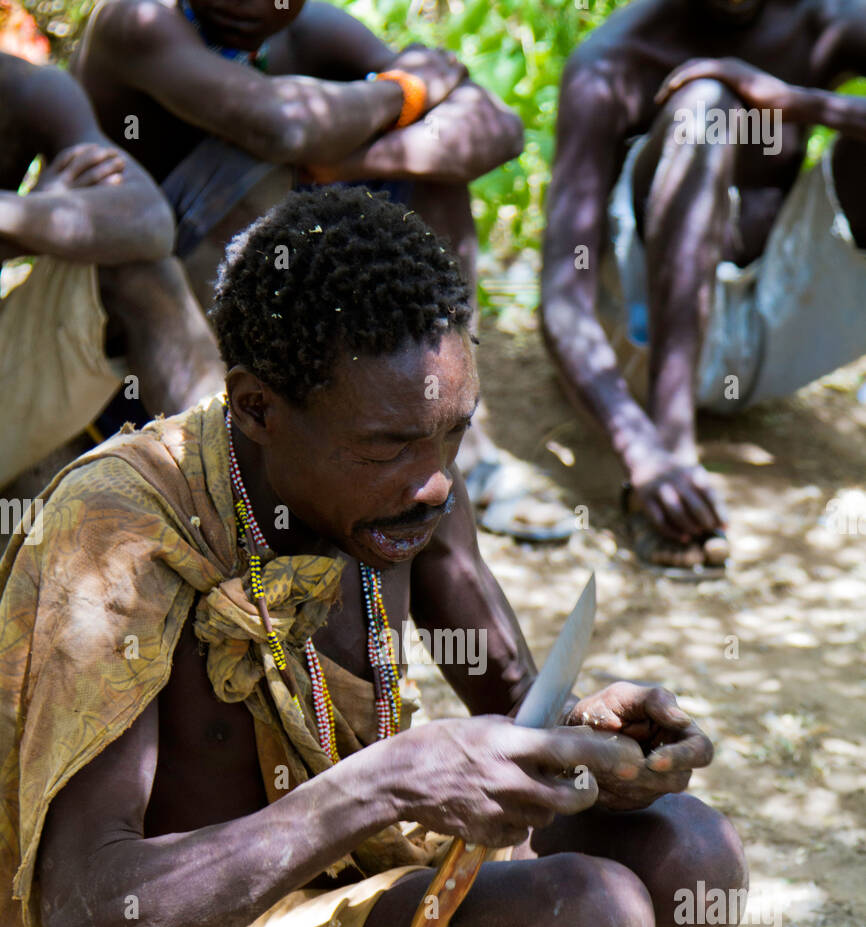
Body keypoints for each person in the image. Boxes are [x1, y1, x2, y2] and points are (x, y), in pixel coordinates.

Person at [1, 187, 747, 927]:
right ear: (255, 407)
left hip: (335, 916)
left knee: (684, 857)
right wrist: (378, 783)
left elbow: (517, 700)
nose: (436, 477)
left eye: (454, 432)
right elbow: (88, 922)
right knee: (588, 917)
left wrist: (595, 739)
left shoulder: (408, 490)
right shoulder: (122, 539)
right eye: (392, 442)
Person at [72, 0, 573, 541]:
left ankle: (457, 442)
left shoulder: (311, 32)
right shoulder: (137, 22)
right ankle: (242, 472)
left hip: (274, 302)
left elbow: (495, 130)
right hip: (140, 313)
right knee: (261, 163)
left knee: (432, 178)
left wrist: (345, 161)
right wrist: (404, 90)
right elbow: (280, 128)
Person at [543, 0, 866, 575]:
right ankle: (674, 450)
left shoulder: (826, 22)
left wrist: (794, 101)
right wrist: (642, 453)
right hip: (643, 341)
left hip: (776, 330)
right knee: (707, 108)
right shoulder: (612, 62)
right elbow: (563, 303)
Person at [0, 53, 224, 488]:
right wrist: (32, 217)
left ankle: (231, 497)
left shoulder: (27, 89)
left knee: (138, 271)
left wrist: (29, 212)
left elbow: (148, 222)